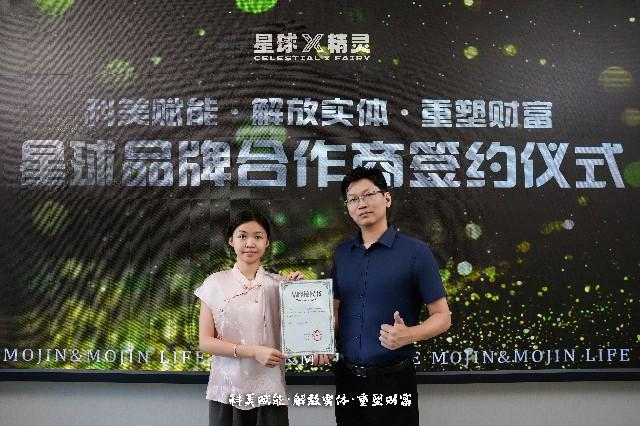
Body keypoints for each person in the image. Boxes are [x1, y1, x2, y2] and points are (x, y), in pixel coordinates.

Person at [324, 166, 451, 426]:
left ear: (387, 198)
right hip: (347, 380)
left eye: (369, 194)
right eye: (353, 199)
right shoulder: (342, 254)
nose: (361, 204)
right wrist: (317, 339)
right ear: (348, 208)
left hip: (393, 380)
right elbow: (334, 311)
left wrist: (410, 334)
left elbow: (442, 317)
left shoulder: (416, 253)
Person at [195, 210, 303, 426]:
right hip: (227, 389)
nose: (250, 243)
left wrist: (299, 295)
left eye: (258, 236)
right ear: (231, 241)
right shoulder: (214, 283)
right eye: (242, 236)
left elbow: (302, 332)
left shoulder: (280, 285)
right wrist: (254, 351)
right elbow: (205, 342)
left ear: (267, 242)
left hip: (269, 389)